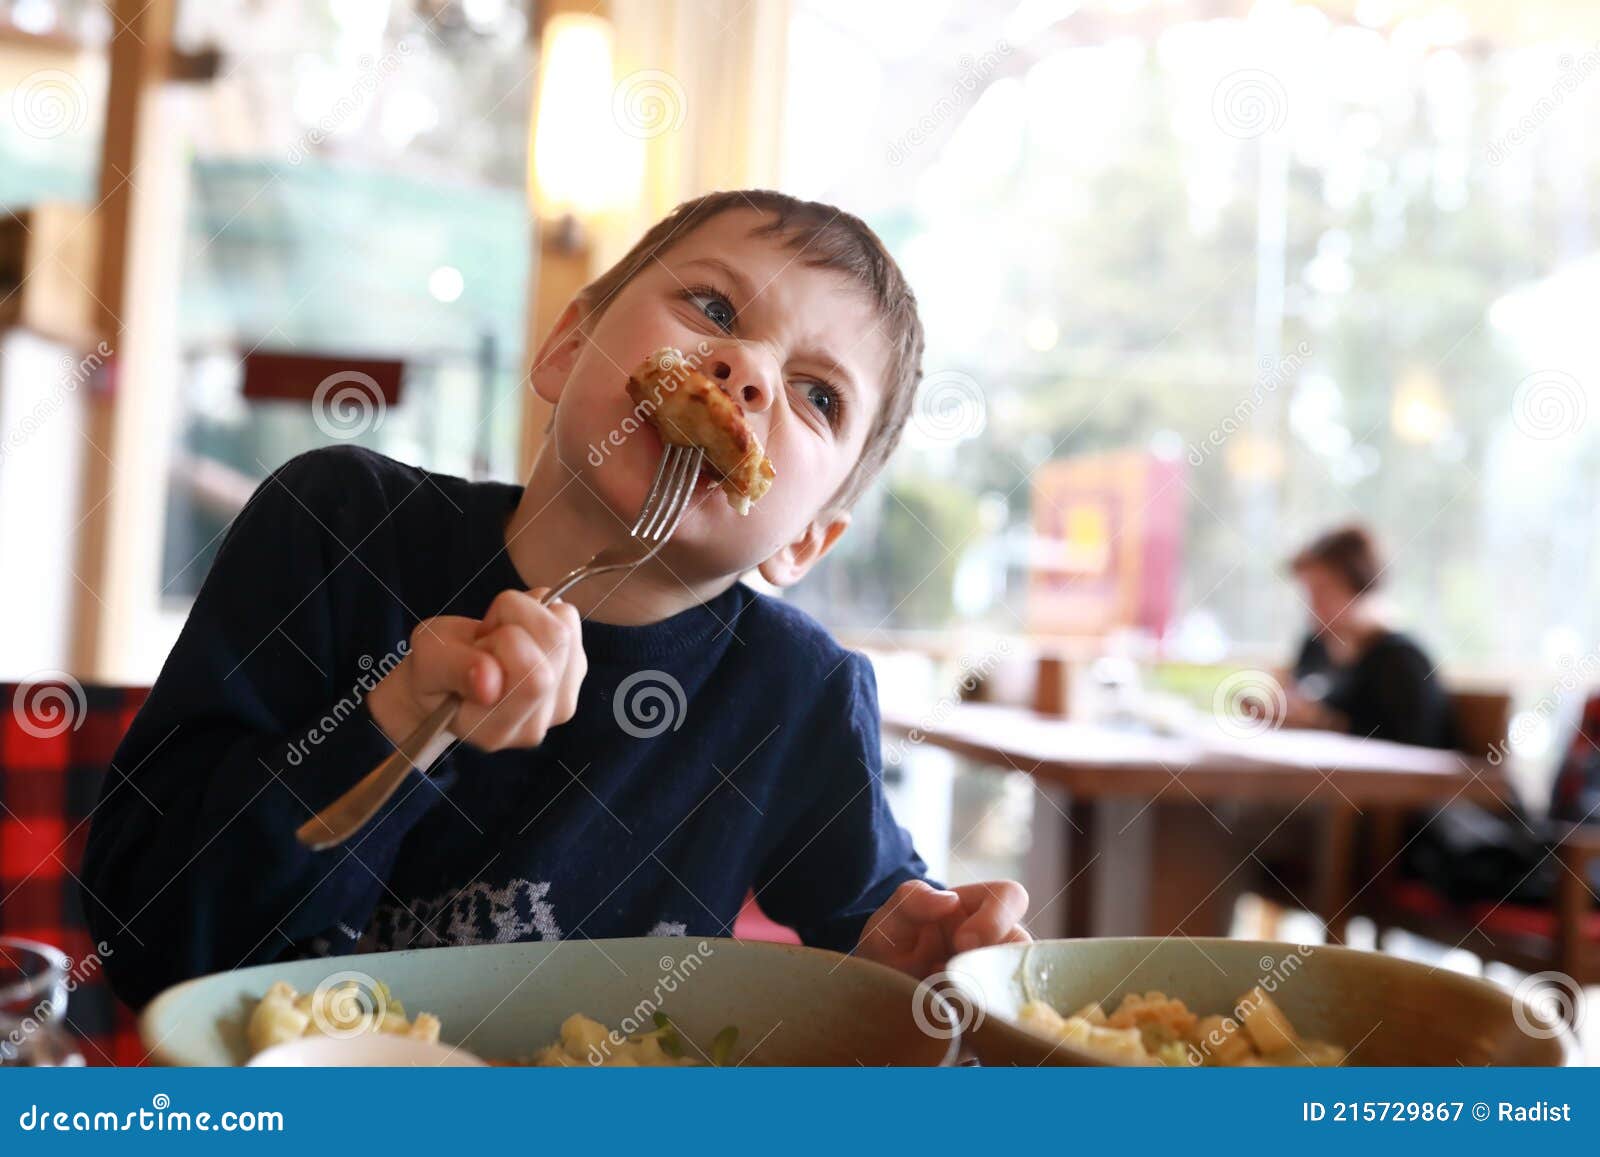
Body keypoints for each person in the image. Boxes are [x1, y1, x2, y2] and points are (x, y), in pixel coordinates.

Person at [81, 190, 1029, 1009]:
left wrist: (919, 957)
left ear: (807, 541)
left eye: (818, 396)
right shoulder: (340, 527)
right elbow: (148, 935)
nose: (746, 372)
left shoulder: (797, 693)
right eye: (711, 306)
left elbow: (876, 933)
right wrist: (397, 720)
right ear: (567, 347)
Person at [1279, 523, 1456, 748]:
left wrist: (1324, 723)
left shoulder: (1401, 660)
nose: (1312, 605)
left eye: (1323, 591)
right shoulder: (1314, 648)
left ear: (1361, 587)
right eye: (1307, 592)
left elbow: (1417, 750)